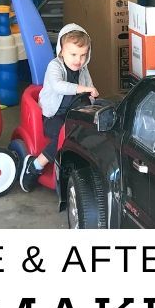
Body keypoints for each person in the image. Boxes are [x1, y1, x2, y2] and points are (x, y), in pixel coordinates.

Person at [19, 24, 98, 192]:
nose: (78, 60)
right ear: (61, 51)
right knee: (67, 135)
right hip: (53, 116)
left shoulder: (83, 70)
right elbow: (57, 86)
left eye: (83, 55)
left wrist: (94, 99)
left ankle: (79, 170)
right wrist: (82, 89)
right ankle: (35, 165)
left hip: (73, 114)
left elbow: (89, 89)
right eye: (73, 54)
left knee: (90, 133)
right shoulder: (54, 66)